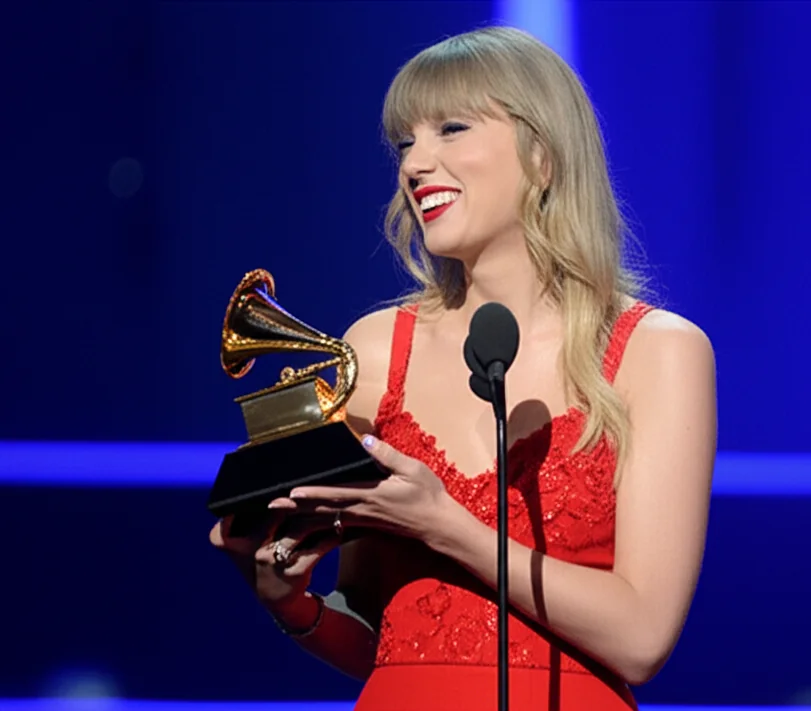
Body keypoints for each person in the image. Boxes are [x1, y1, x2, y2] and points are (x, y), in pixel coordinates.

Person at [210, 25, 717, 711]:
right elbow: (376, 641)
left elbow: (642, 636)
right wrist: (290, 602)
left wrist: (444, 525)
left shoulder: (658, 350)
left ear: (543, 155)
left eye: (450, 128)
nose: (416, 163)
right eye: (405, 143)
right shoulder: (378, 350)